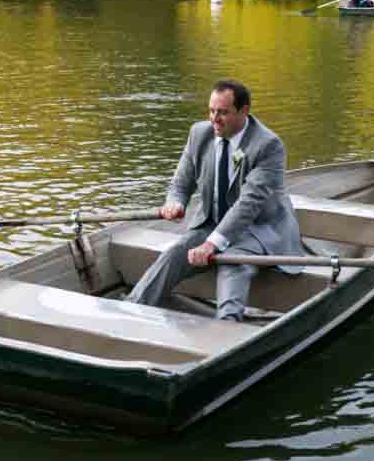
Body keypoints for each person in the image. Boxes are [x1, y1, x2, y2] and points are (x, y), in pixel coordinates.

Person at [124, 79, 303, 321]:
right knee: (174, 253)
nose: (214, 119)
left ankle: (226, 329)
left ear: (244, 111)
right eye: (211, 111)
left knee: (232, 264)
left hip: (258, 229)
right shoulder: (199, 134)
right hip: (214, 223)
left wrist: (211, 245)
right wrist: (175, 202)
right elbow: (181, 183)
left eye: (223, 113)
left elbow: (248, 205)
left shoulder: (268, 146)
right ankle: (129, 312)